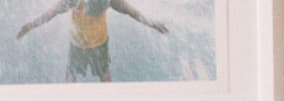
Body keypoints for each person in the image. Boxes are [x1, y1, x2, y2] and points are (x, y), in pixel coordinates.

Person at [16, 0, 169, 83]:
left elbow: (134, 13)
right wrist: (30, 26)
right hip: (78, 44)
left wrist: (153, 23)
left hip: (99, 44)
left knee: (103, 74)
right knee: (70, 76)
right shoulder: (71, 1)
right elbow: (49, 14)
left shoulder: (110, 1)